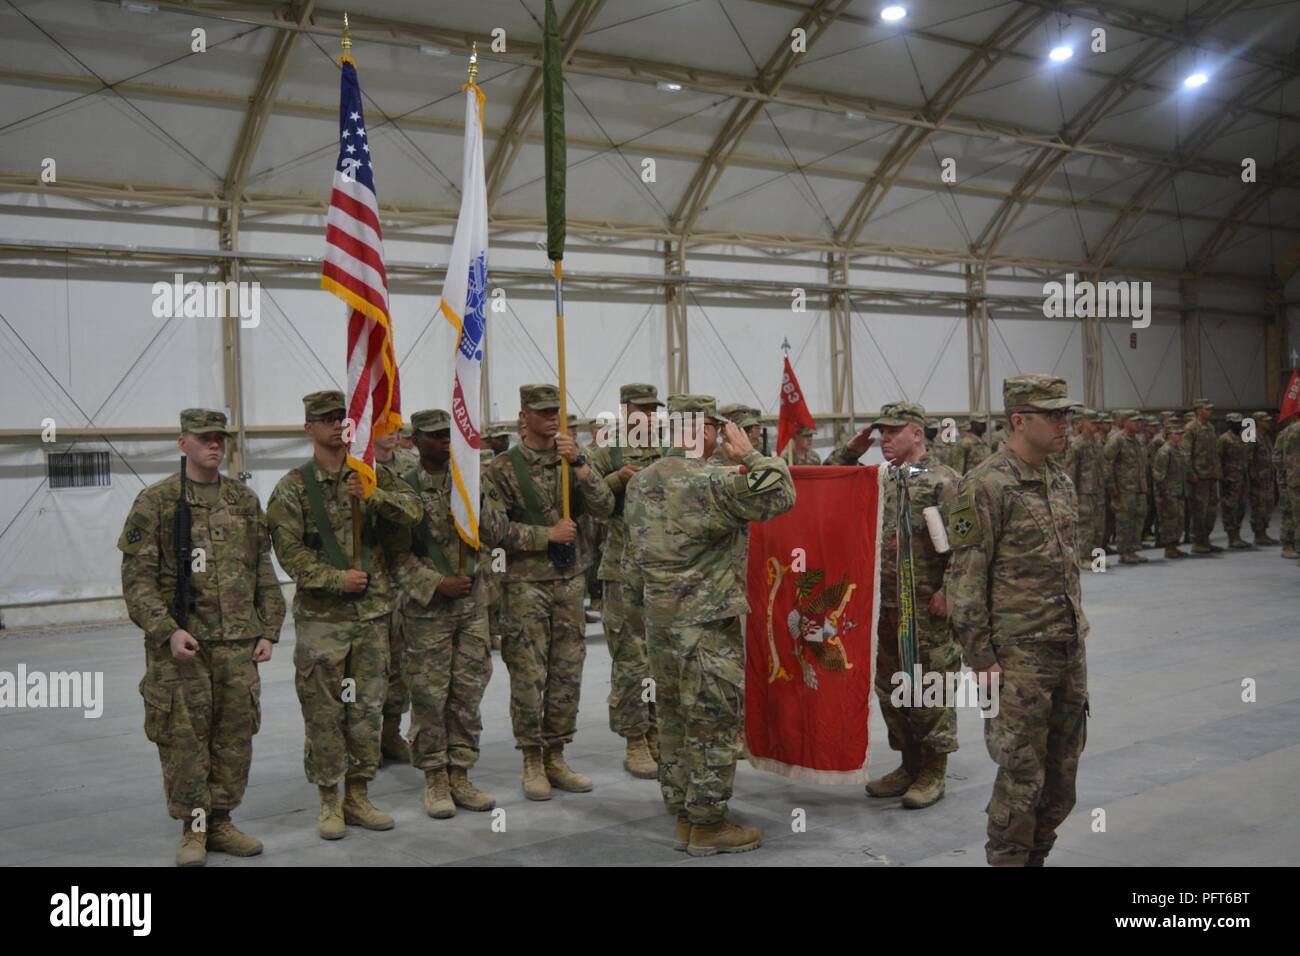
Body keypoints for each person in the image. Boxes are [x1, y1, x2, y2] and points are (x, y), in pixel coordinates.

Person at [623, 394, 795, 856]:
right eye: (717, 429)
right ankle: (709, 824)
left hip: (661, 624)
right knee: (713, 723)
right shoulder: (714, 482)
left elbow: (629, 563)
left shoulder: (640, 482)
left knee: (675, 721)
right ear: (702, 430)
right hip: (706, 625)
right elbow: (782, 494)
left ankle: (683, 814)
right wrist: (752, 455)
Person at [119, 409, 285, 867]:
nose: (215, 445)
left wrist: (269, 628)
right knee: (184, 740)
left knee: (234, 738)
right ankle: (193, 828)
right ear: (182, 443)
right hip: (182, 649)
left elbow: (262, 572)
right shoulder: (157, 502)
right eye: (205, 437)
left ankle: (223, 822)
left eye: (220, 438)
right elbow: (137, 582)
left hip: (237, 646)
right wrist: (168, 631)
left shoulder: (244, 501)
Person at [945, 374, 1088, 867]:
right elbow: (964, 580)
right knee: (1021, 779)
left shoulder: (1060, 480)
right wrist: (981, 659)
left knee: (1062, 779)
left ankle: (1036, 859)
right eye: (1054, 415)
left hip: (1067, 650)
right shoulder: (983, 486)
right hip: (1016, 657)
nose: (1064, 423)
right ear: (1020, 420)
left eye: (1067, 414)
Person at [266, 390, 422, 840]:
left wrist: (373, 496)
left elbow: (413, 513)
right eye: (326, 419)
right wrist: (337, 580)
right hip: (323, 621)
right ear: (308, 428)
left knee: (366, 711)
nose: (337, 425)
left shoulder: (371, 475)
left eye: (343, 417)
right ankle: (329, 801)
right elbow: (289, 554)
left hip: (372, 619)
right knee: (325, 713)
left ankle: (358, 794)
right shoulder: (294, 487)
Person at [480, 384, 615, 800]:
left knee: (567, 673)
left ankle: (556, 752)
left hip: (570, 581)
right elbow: (492, 529)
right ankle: (532, 759)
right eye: (541, 412)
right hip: (525, 586)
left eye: (555, 410)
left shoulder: (570, 461)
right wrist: (546, 535)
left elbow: (605, 506)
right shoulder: (502, 468)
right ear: (524, 417)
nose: (551, 418)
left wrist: (580, 465)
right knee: (528, 675)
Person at [857, 402, 961, 809]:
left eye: (893, 431)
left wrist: (949, 590)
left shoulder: (944, 482)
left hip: (925, 607)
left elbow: (968, 545)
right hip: (884, 606)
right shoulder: (880, 480)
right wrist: (852, 446)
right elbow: (831, 478)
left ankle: (933, 770)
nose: (884, 438)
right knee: (890, 687)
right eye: (881, 431)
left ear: (917, 434)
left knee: (930, 685)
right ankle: (908, 763)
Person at [392, 409, 495, 817]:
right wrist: (434, 583)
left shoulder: (470, 481)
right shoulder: (403, 490)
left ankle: (461, 772)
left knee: (468, 691)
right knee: (430, 695)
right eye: (434, 436)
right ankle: (434, 776)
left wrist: (477, 492)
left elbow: (496, 531)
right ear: (415, 441)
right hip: (428, 610)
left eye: (448, 434)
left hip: (473, 605)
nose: (444, 441)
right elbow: (394, 557)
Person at [587, 384, 666, 779]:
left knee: (662, 657)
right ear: (625, 409)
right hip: (622, 569)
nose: (648, 416)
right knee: (631, 660)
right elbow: (589, 503)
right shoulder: (607, 450)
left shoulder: (671, 448)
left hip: (664, 571)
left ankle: (658, 731)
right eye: (641, 409)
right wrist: (617, 478)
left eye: (654, 409)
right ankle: (635, 738)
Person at [1104, 410, 1148, 565]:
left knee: (1138, 518)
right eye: (1135, 421)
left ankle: (1133, 550)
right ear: (1126, 422)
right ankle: (1124, 552)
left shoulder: (1138, 440)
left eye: (1140, 421)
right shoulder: (1117, 440)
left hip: (1138, 487)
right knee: (1125, 520)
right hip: (1124, 488)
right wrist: (1112, 487)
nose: (1139, 424)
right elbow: (1107, 464)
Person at [1065, 409, 1105, 568]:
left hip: (1098, 490)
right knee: (1085, 526)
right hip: (1084, 492)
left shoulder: (1097, 441)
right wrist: (1072, 494)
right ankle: (1083, 557)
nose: (1096, 425)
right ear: (1083, 423)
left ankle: (1098, 559)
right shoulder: (1077, 444)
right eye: (1092, 422)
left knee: (1099, 526)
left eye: (1097, 422)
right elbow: (1071, 471)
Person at [1184, 398, 1222, 554]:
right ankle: (1197, 542)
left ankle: (1205, 539)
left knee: (1211, 510)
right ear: (1198, 410)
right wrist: (1190, 473)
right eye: (1207, 409)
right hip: (1199, 477)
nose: (1210, 411)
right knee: (1199, 510)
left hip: (1211, 475)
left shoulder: (1210, 427)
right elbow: (1186, 454)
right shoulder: (1191, 428)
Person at [1152, 422, 1189, 559]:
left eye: (1180, 434)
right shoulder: (1164, 451)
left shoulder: (1178, 449)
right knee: (1169, 520)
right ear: (1169, 435)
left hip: (1178, 491)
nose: (1179, 436)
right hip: (1168, 494)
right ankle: (1169, 547)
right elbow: (1158, 475)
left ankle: (1174, 545)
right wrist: (1165, 493)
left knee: (1179, 519)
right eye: (1176, 434)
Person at [1218, 413, 1251, 549]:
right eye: (1236, 423)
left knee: (1241, 508)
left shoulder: (1242, 438)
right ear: (1230, 424)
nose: (1239, 425)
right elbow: (1218, 459)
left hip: (1241, 479)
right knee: (1230, 509)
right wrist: (1222, 477)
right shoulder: (1224, 439)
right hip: (1229, 480)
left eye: (1240, 422)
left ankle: (1237, 535)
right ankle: (1232, 537)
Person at [1247, 412, 1278, 546]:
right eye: (1265, 421)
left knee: (1267, 505)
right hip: (1257, 479)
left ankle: (1264, 533)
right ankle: (1258, 535)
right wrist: (1252, 477)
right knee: (1259, 506)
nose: (1268, 423)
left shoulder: (1266, 437)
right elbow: (1246, 459)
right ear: (1258, 422)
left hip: (1267, 478)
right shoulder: (1250, 436)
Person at [1275, 414, 1300, 559]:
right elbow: (1277, 458)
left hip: (1292, 478)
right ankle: (1287, 545)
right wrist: (1286, 474)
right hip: (1289, 480)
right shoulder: (1285, 433)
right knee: (1289, 513)